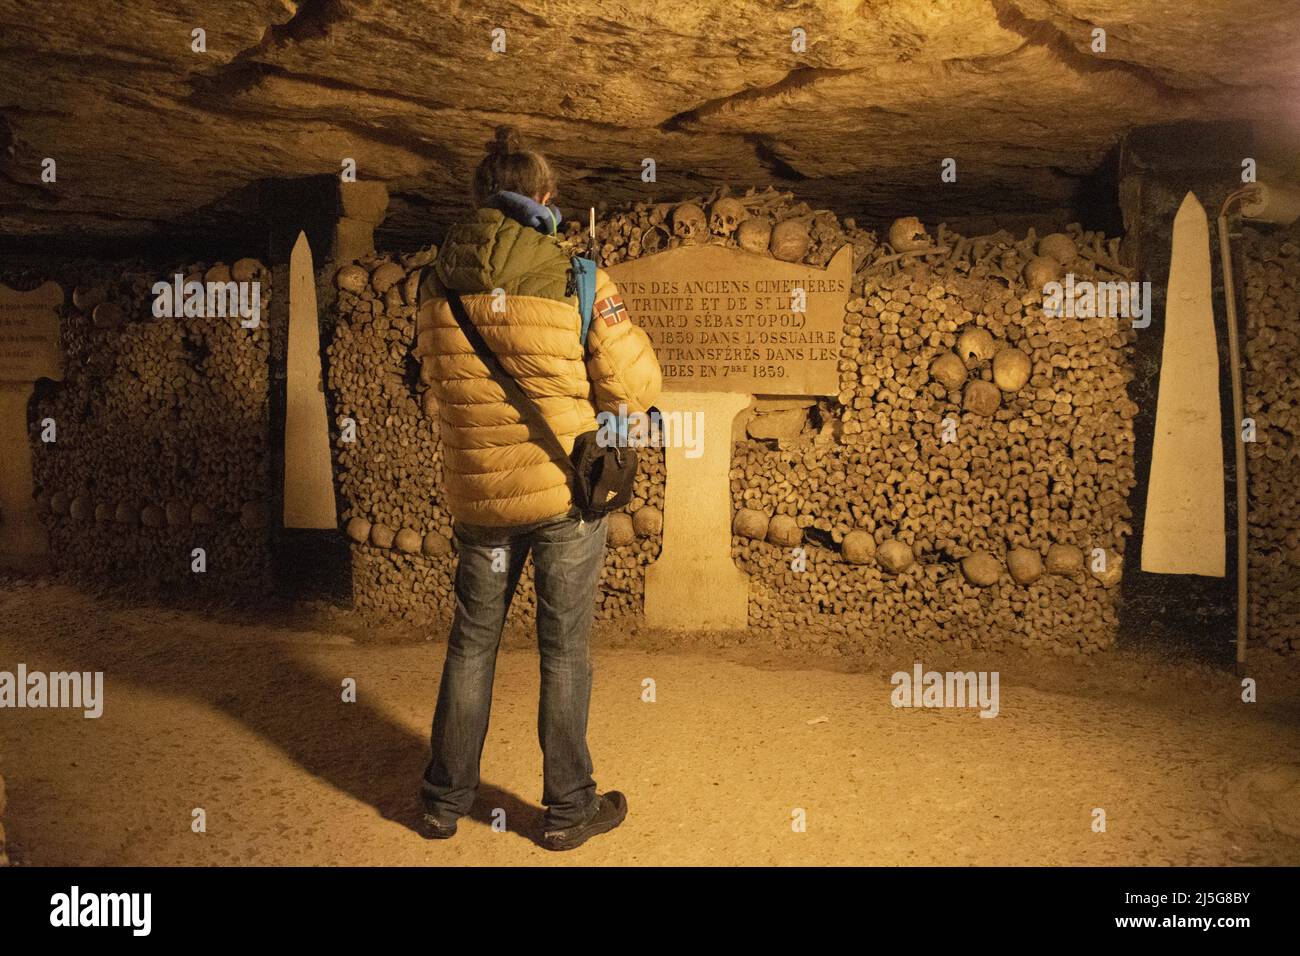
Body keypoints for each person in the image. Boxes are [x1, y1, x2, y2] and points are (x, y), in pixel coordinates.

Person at [415, 125, 661, 850]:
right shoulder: (576, 276)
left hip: (480, 500)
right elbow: (635, 385)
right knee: (564, 651)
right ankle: (566, 811)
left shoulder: (437, 277)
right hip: (561, 497)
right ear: (546, 197)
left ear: (482, 196)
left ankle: (440, 802)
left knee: (471, 646)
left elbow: (437, 383)